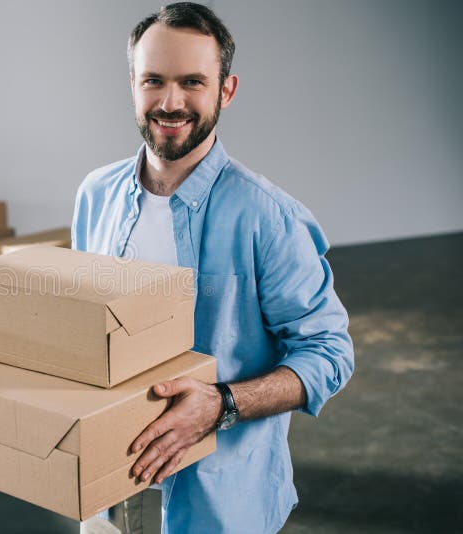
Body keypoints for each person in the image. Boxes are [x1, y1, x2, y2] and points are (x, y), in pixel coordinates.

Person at [71, 3, 354, 533]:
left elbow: (330, 353)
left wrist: (221, 404)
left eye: (192, 82)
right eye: (153, 80)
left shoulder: (269, 218)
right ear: (132, 83)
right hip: (105, 491)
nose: (170, 102)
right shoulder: (95, 195)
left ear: (226, 90)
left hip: (217, 505)